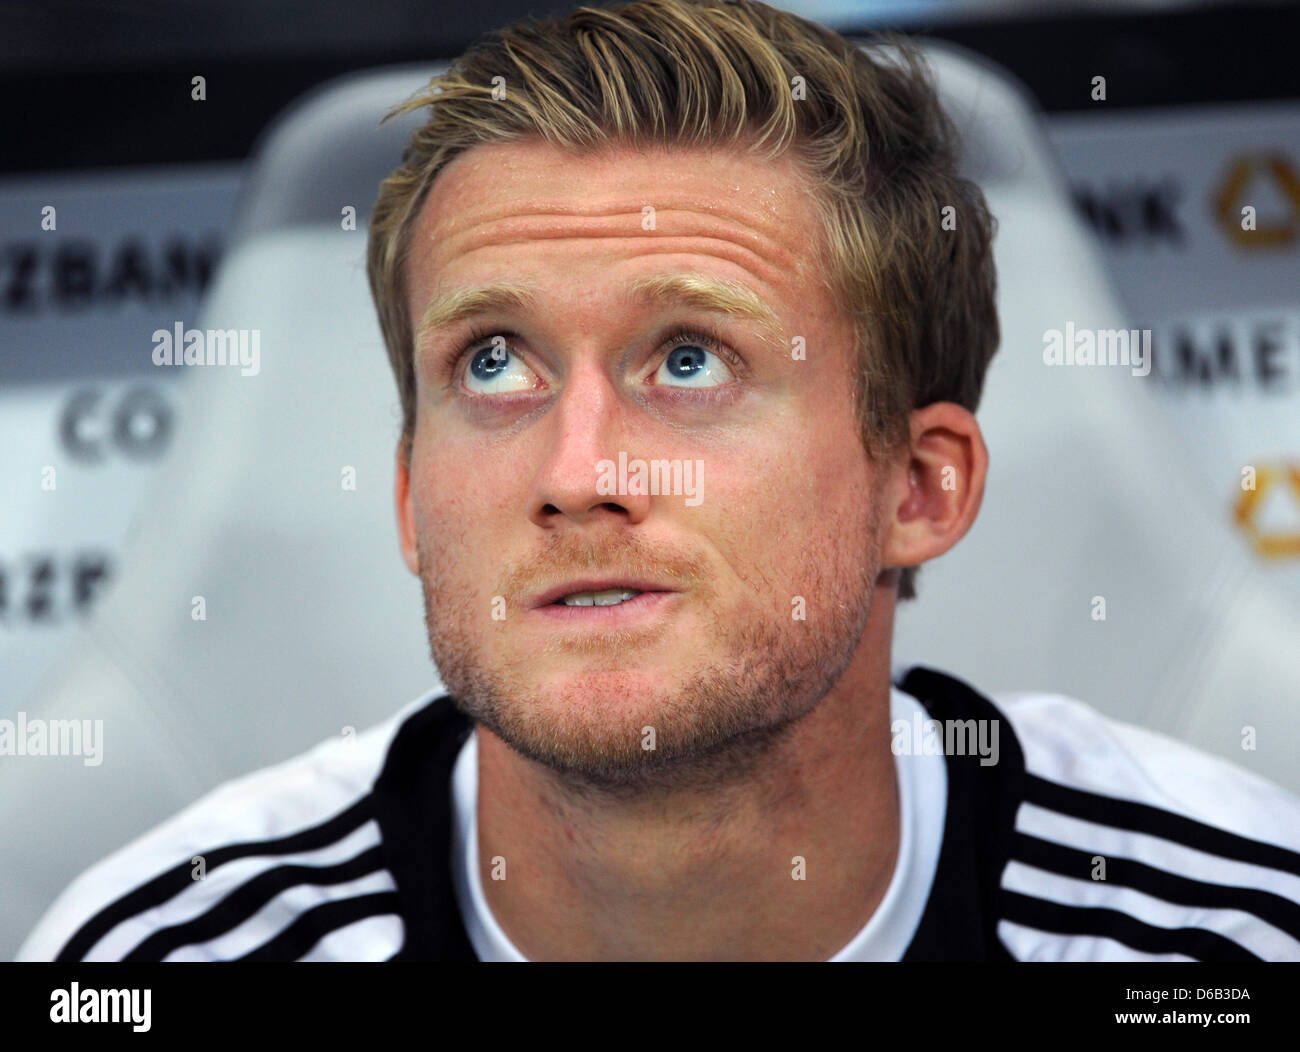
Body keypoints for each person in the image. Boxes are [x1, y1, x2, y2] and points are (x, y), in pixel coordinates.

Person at [19, 0, 1300, 962]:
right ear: (412, 498)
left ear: (916, 487)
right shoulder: (162, 957)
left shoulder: (1224, 942)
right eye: (494, 362)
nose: (578, 476)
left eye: (690, 359)